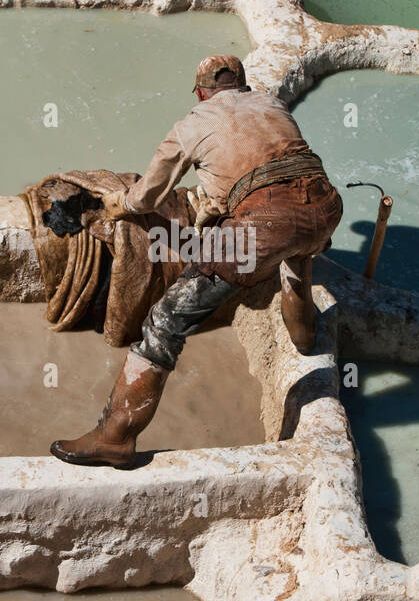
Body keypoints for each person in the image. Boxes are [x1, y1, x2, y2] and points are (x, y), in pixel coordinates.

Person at [50, 54, 343, 468]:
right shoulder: (271, 103)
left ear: (201, 93)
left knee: (167, 318)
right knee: (296, 256)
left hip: (264, 223)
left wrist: (118, 206)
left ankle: (115, 434)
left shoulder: (191, 124)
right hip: (325, 207)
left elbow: (148, 196)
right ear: (241, 84)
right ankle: (305, 339)